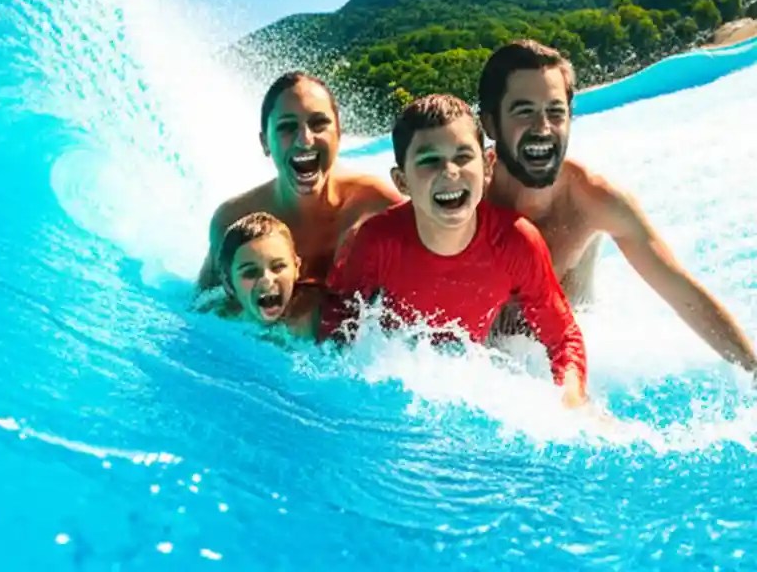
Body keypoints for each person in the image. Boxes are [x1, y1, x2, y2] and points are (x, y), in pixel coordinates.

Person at [477, 39, 757, 372]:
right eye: (524, 111)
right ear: (491, 124)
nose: (543, 128)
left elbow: (683, 294)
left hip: (569, 365)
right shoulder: (463, 202)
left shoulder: (593, 201)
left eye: (555, 112)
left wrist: (753, 370)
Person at [318, 94, 589, 409]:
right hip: (401, 376)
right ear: (402, 181)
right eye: (429, 160)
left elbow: (563, 338)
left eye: (463, 157)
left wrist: (571, 400)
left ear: (487, 165)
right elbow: (339, 319)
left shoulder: (516, 241)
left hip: (482, 363)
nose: (449, 172)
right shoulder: (377, 242)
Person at [195, 72, 402, 301]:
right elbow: (202, 308)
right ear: (265, 143)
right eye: (287, 127)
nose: (304, 140)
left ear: (339, 134)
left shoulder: (379, 206)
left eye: (319, 123)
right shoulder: (233, 222)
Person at [212, 211, 320, 336]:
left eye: (278, 266)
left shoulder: (317, 315)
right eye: (251, 272)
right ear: (228, 283)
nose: (266, 280)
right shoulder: (214, 315)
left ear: (297, 268)